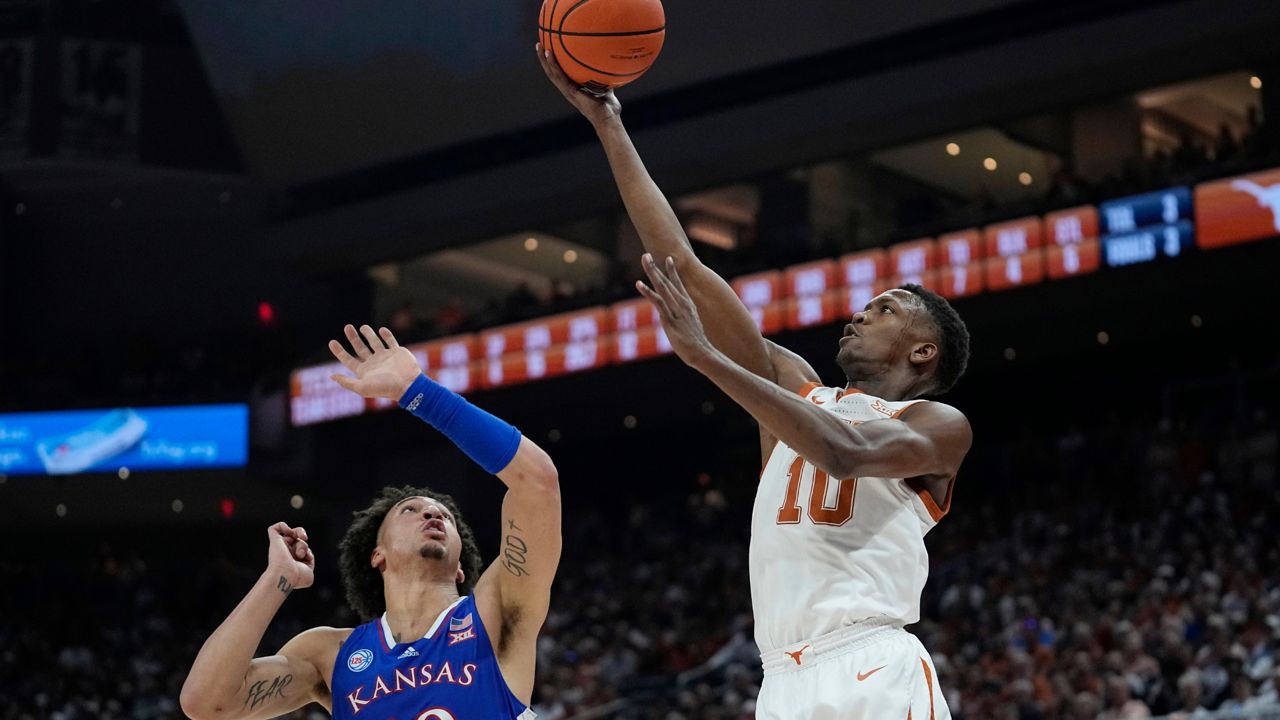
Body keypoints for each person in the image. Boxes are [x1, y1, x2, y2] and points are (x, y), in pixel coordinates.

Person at [539, 46, 972, 719]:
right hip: (781, 681)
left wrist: (712, 361)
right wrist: (608, 126)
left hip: (871, 665)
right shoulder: (795, 389)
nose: (860, 312)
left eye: (884, 309)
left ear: (922, 352)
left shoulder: (937, 427)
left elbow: (845, 454)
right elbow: (682, 262)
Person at [180, 324, 559, 720]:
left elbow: (536, 481)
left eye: (445, 516)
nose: (433, 514)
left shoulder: (495, 610)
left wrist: (418, 392)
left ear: (461, 565)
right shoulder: (333, 655)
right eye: (410, 510)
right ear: (377, 554)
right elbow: (207, 703)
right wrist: (277, 580)